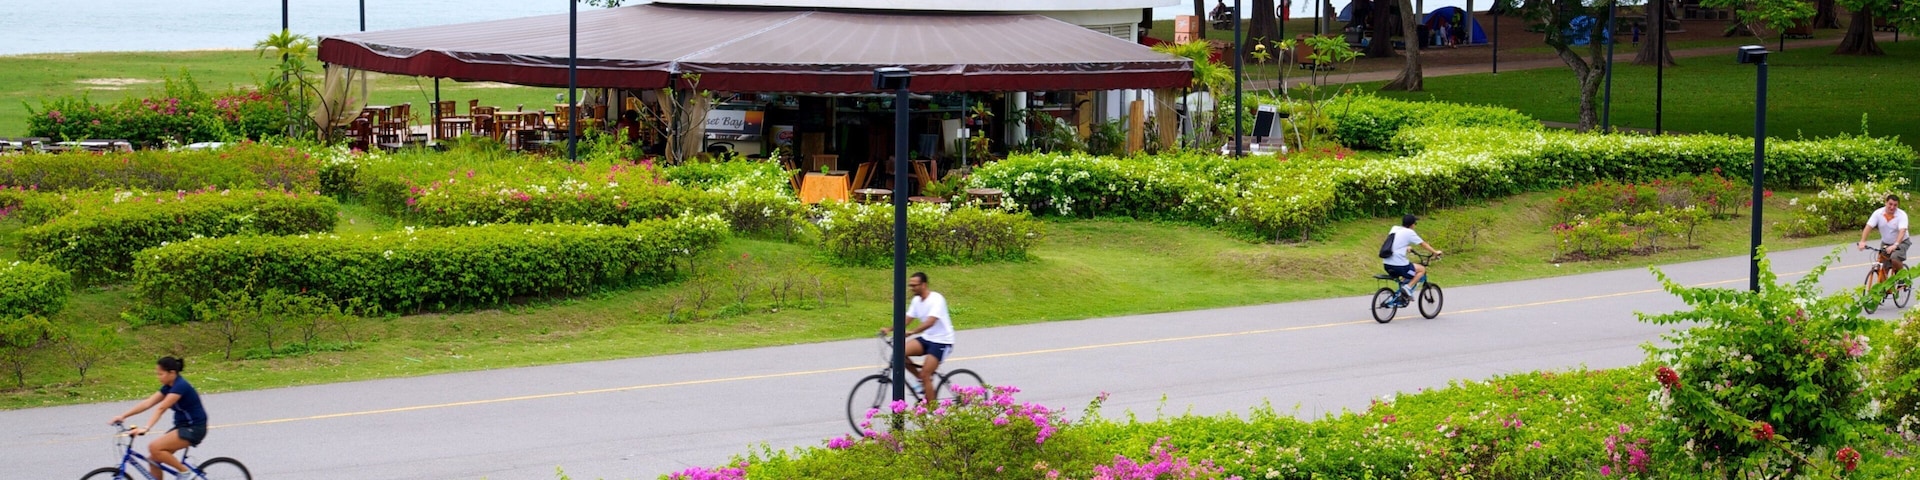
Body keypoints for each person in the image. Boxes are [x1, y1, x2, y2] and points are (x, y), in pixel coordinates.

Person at [110, 357, 208, 480]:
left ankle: (185, 472)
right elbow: (148, 403)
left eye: (161, 374)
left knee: (154, 447)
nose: (158, 377)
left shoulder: (180, 386)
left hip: (194, 428)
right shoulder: (168, 386)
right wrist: (123, 416)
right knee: (153, 460)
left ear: (172, 373)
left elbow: (161, 408)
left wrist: (146, 428)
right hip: (183, 426)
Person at [879, 272, 954, 404]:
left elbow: (931, 321)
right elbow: (906, 320)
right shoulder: (916, 301)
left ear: (923, 285)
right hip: (927, 338)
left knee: (926, 374)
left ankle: (932, 414)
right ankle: (921, 380)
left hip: (942, 341)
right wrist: (889, 329)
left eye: (914, 285)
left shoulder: (937, 299)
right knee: (899, 353)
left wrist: (913, 332)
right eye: (910, 285)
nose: (911, 288)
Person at [1383, 215, 1443, 302]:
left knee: (1409, 270)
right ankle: (1407, 288)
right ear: (1411, 224)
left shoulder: (1394, 228)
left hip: (1387, 264)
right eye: (1415, 223)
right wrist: (1435, 252)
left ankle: (1402, 294)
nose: (1415, 225)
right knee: (1421, 270)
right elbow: (1423, 244)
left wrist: (1406, 247)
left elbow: (1395, 241)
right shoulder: (1410, 232)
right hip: (1399, 266)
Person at [1858, 194, 1910, 285]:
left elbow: (1902, 231)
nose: (1892, 207)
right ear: (1885, 203)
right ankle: (1884, 288)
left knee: (1894, 258)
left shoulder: (1901, 215)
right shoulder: (1878, 213)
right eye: (1890, 204)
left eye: (1895, 205)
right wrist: (1863, 241)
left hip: (1901, 242)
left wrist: (1895, 245)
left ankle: (1902, 277)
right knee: (1881, 267)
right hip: (1886, 243)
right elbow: (1868, 227)